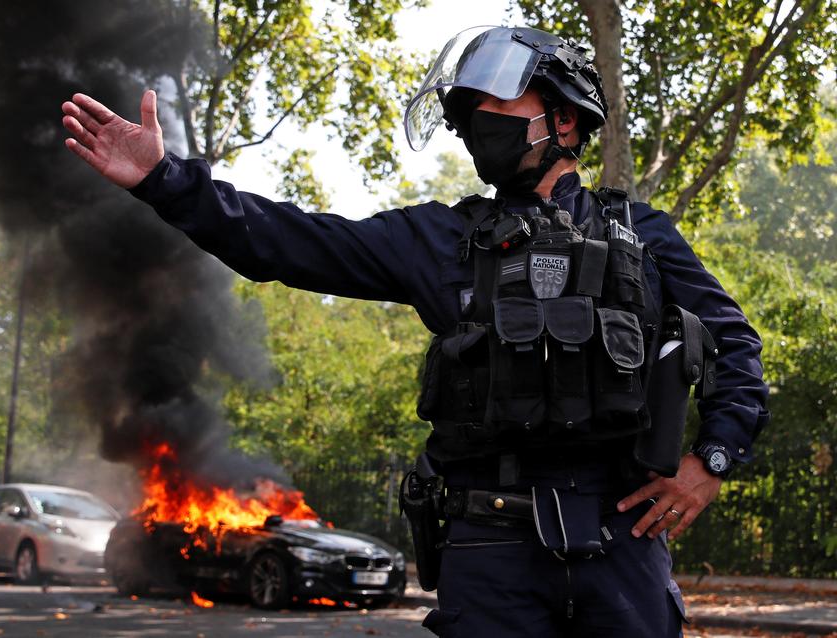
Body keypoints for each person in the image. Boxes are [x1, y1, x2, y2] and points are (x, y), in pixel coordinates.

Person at [61, 24, 768, 637]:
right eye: (468, 114)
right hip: (490, 549)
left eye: (496, 102)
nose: (477, 120)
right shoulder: (441, 237)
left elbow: (735, 346)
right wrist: (165, 179)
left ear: (567, 117)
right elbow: (285, 241)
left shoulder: (645, 235)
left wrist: (713, 461)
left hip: (624, 543)